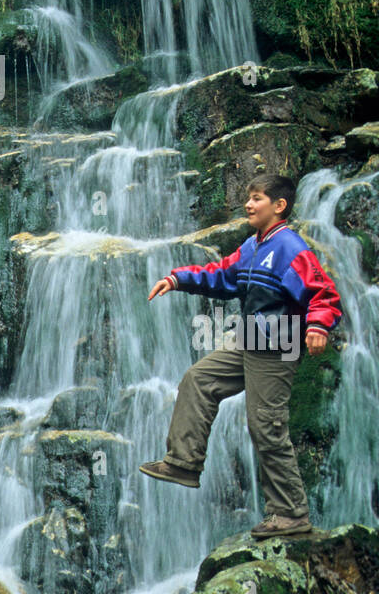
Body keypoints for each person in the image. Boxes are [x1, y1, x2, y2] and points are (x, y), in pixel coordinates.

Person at [140, 173, 342, 538]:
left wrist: (317, 327)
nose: (248, 204)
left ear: (279, 206)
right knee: (198, 380)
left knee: (266, 424)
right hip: (249, 337)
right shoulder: (253, 246)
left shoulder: (290, 248)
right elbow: (222, 275)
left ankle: (290, 513)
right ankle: (184, 462)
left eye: (257, 199)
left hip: (278, 345)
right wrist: (177, 279)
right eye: (248, 198)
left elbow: (324, 293)